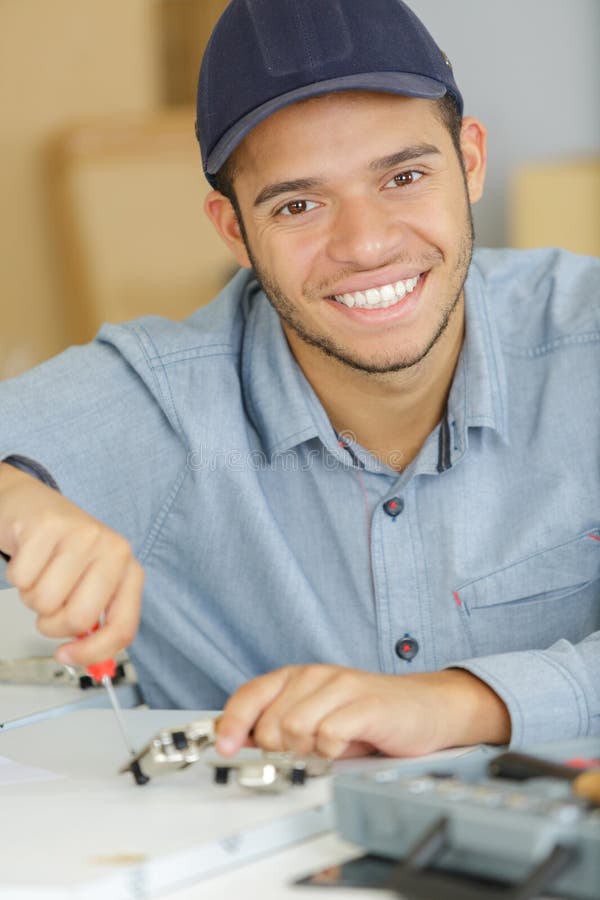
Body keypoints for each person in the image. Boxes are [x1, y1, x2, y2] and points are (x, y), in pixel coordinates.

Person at [0, 0, 598, 761]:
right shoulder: (162, 402)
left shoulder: (586, 342)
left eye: (405, 176)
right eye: (300, 204)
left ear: (471, 163)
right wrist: (13, 502)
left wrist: (463, 703)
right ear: (233, 231)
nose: (367, 243)